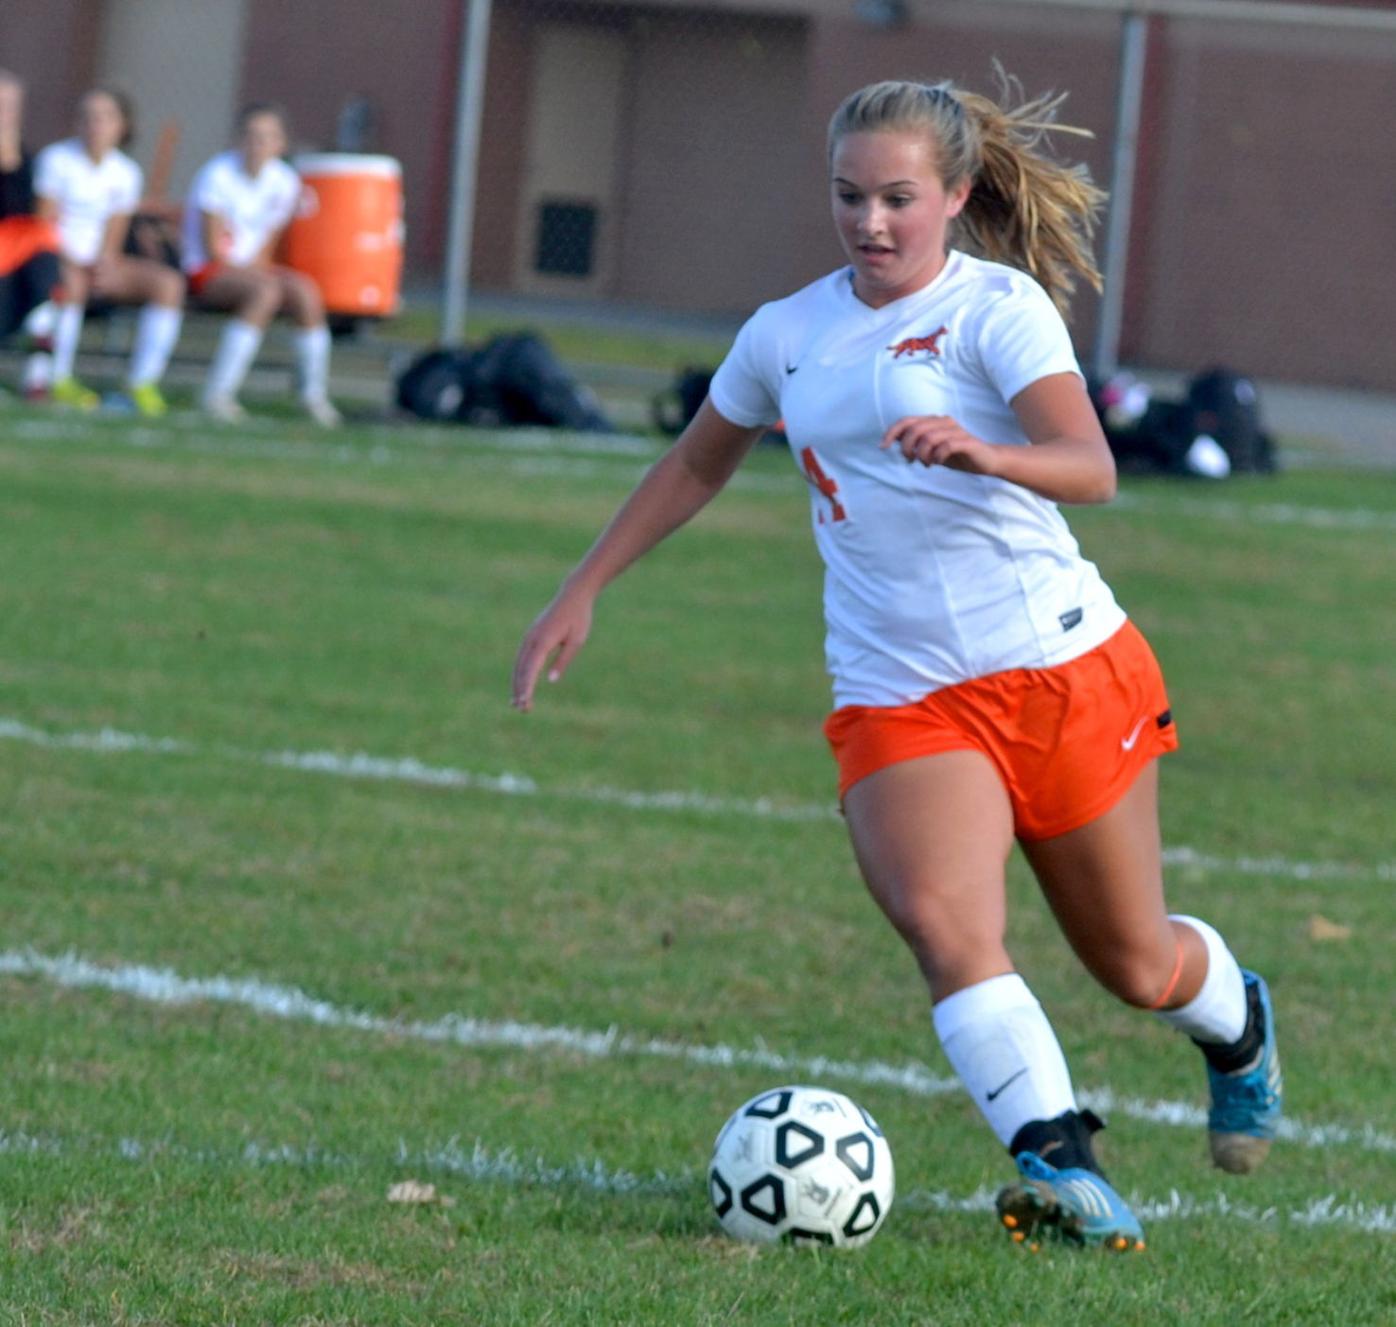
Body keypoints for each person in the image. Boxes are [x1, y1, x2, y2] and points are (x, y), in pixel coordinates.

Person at [511, 73, 1283, 1252]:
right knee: (941, 918)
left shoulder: (997, 310)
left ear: (955, 193)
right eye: (848, 197)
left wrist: (986, 452)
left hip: (1059, 667)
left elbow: (1090, 464)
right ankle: (1063, 1165)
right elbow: (695, 463)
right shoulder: (786, 331)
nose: (870, 223)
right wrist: (584, 583)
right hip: (898, 688)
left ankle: (1237, 1028)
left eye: (897, 199)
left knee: (1134, 961)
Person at [181, 103, 341, 427]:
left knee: (305, 291)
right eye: (251, 137)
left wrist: (262, 271)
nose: (257, 146)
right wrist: (257, 274)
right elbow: (214, 252)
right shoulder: (218, 175)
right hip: (208, 271)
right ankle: (218, 393)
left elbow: (266, 247)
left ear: (281, 145)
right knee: (265, 292)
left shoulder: (284, 181)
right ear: (237, 140)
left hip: (252, 271)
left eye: (267, 138)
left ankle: (313, 395)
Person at [33, 87, 185, 415]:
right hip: (57, 258)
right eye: (87, 117)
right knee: (70, 283)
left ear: (121, 125)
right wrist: (74, 262)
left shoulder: (126, 172)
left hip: (94, 262)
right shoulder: (57, 160)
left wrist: (105, 263)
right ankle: (58, 378)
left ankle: (142, 383)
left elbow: (114, 232)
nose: (95, 125)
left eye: (104, 117)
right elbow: (44, 228)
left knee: (168, 284)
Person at [0, 68, 63, 396]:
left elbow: (27, 211)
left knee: (43, 263)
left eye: (9, 106)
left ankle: (38, 375)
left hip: (15, 252)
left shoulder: (27, 158)